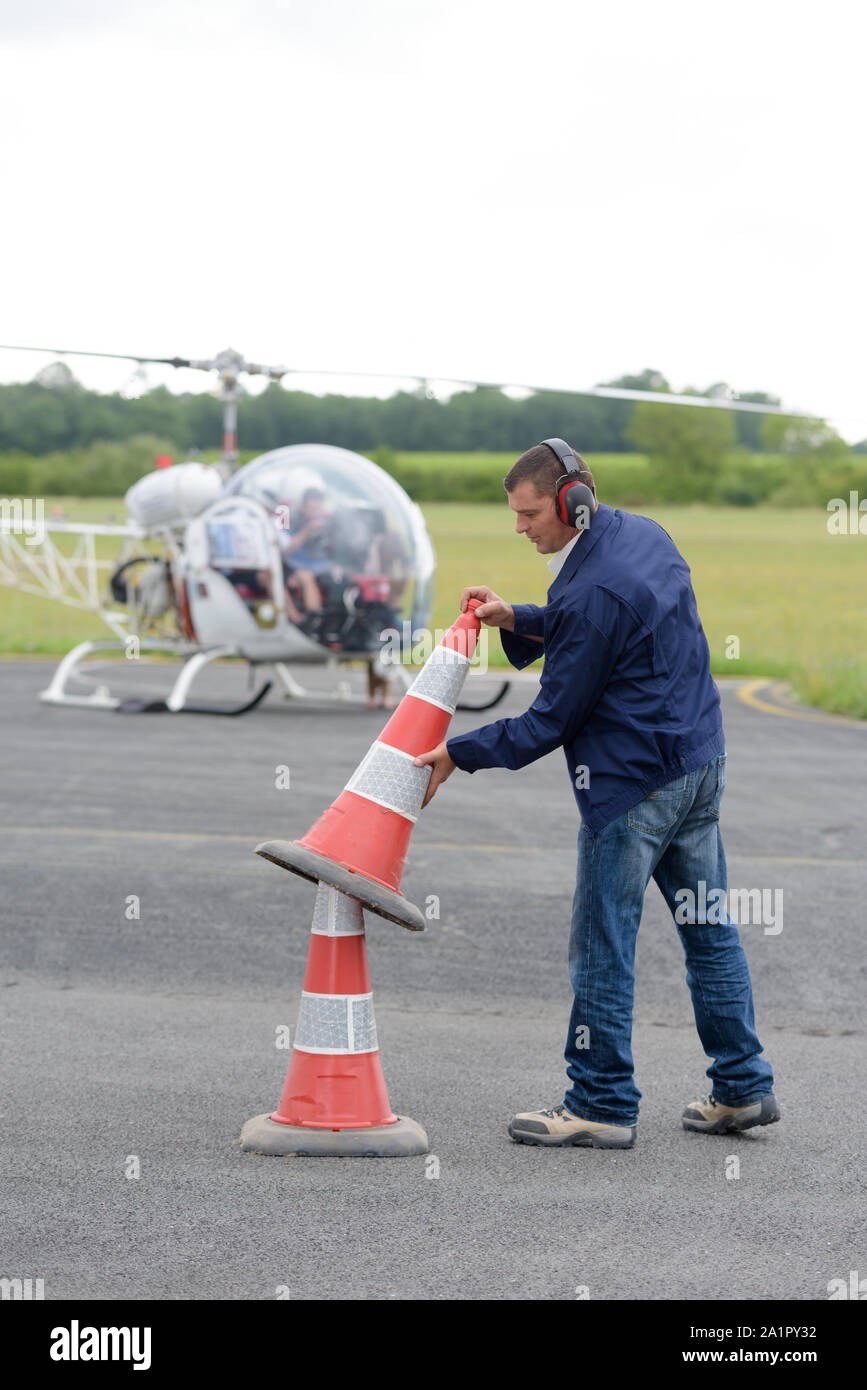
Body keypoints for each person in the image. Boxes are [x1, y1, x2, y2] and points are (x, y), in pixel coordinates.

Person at [413, 440, 778, 1151]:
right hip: (698, 765)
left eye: (526, 515)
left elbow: (548, 721)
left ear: (569, 505)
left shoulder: (587, 590)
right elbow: (607, 627)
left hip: (634, 787)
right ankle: (741, 1088)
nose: (519, 528)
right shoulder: (642, 535)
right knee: (709, 932)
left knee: (602, 945)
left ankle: (601, 1100)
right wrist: (515, 617)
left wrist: (457, 753)